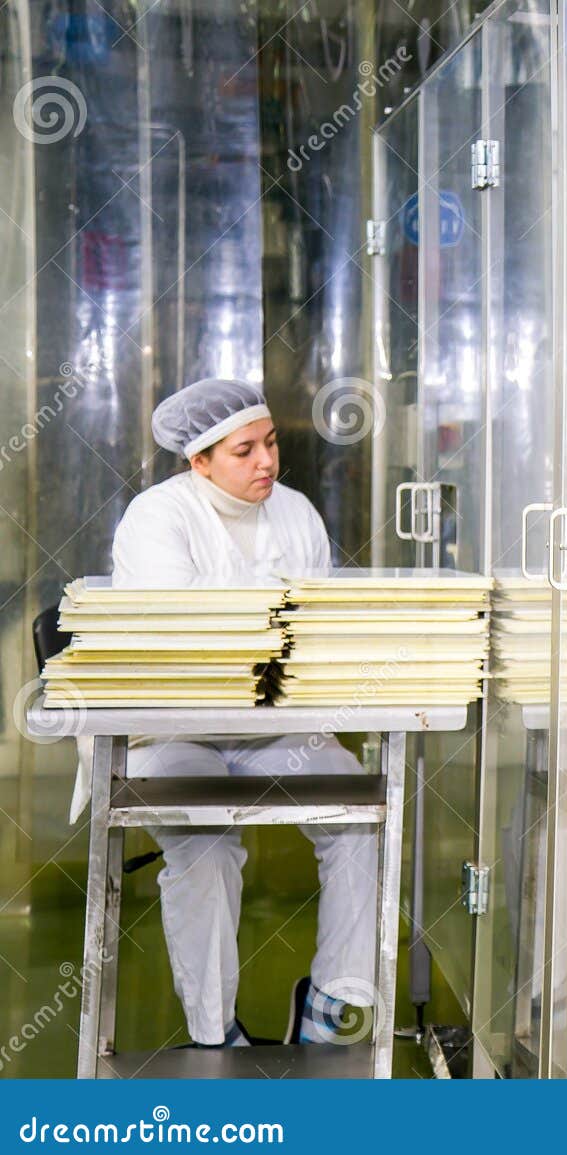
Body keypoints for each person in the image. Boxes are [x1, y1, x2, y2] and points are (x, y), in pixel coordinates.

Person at [109, 378, 375, 1048]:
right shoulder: (157, 518)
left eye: (272, 443)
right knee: (207, 846)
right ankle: (215, 1034)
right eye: (244, 450)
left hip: (274, 728)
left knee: (359, 818)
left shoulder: (296, 514)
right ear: (198, 461)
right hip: (173, 730)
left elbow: (316, 628)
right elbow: (184, 636)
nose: (267, 462)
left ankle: (329, 1007)